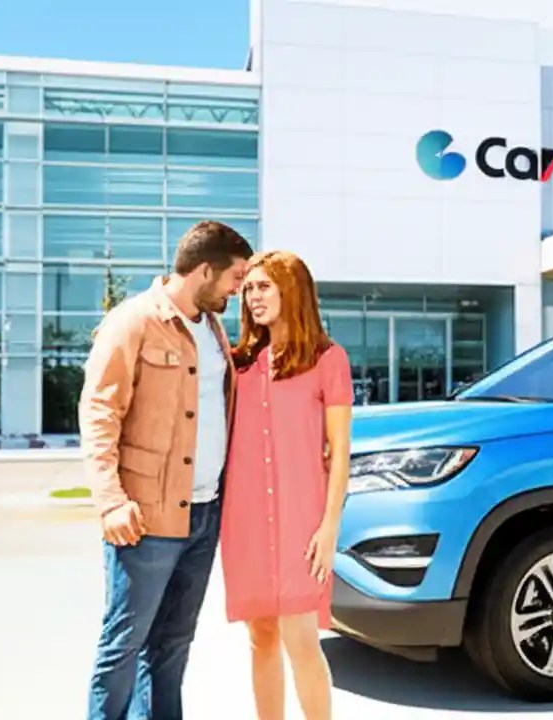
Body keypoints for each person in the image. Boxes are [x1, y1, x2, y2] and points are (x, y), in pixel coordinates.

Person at [80, 220, 254, 719]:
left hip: (204, 513)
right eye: (236, 277)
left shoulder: (212, 328)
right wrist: (111, 502)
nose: (238, 289)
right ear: (205, 270)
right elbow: (99, 412)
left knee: (173, 645)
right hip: (146, 518)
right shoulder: (132, 322)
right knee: (124, 645)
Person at [220, 249, 353, 720]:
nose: (252, 297)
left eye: (263, 287)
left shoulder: (328, 360)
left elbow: (340, 451)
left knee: (301, 638)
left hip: (303, 521)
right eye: (248, 289)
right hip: (246, 521)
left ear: (291, 290)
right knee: (260, 636)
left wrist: (329, 527)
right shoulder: (238, 363)